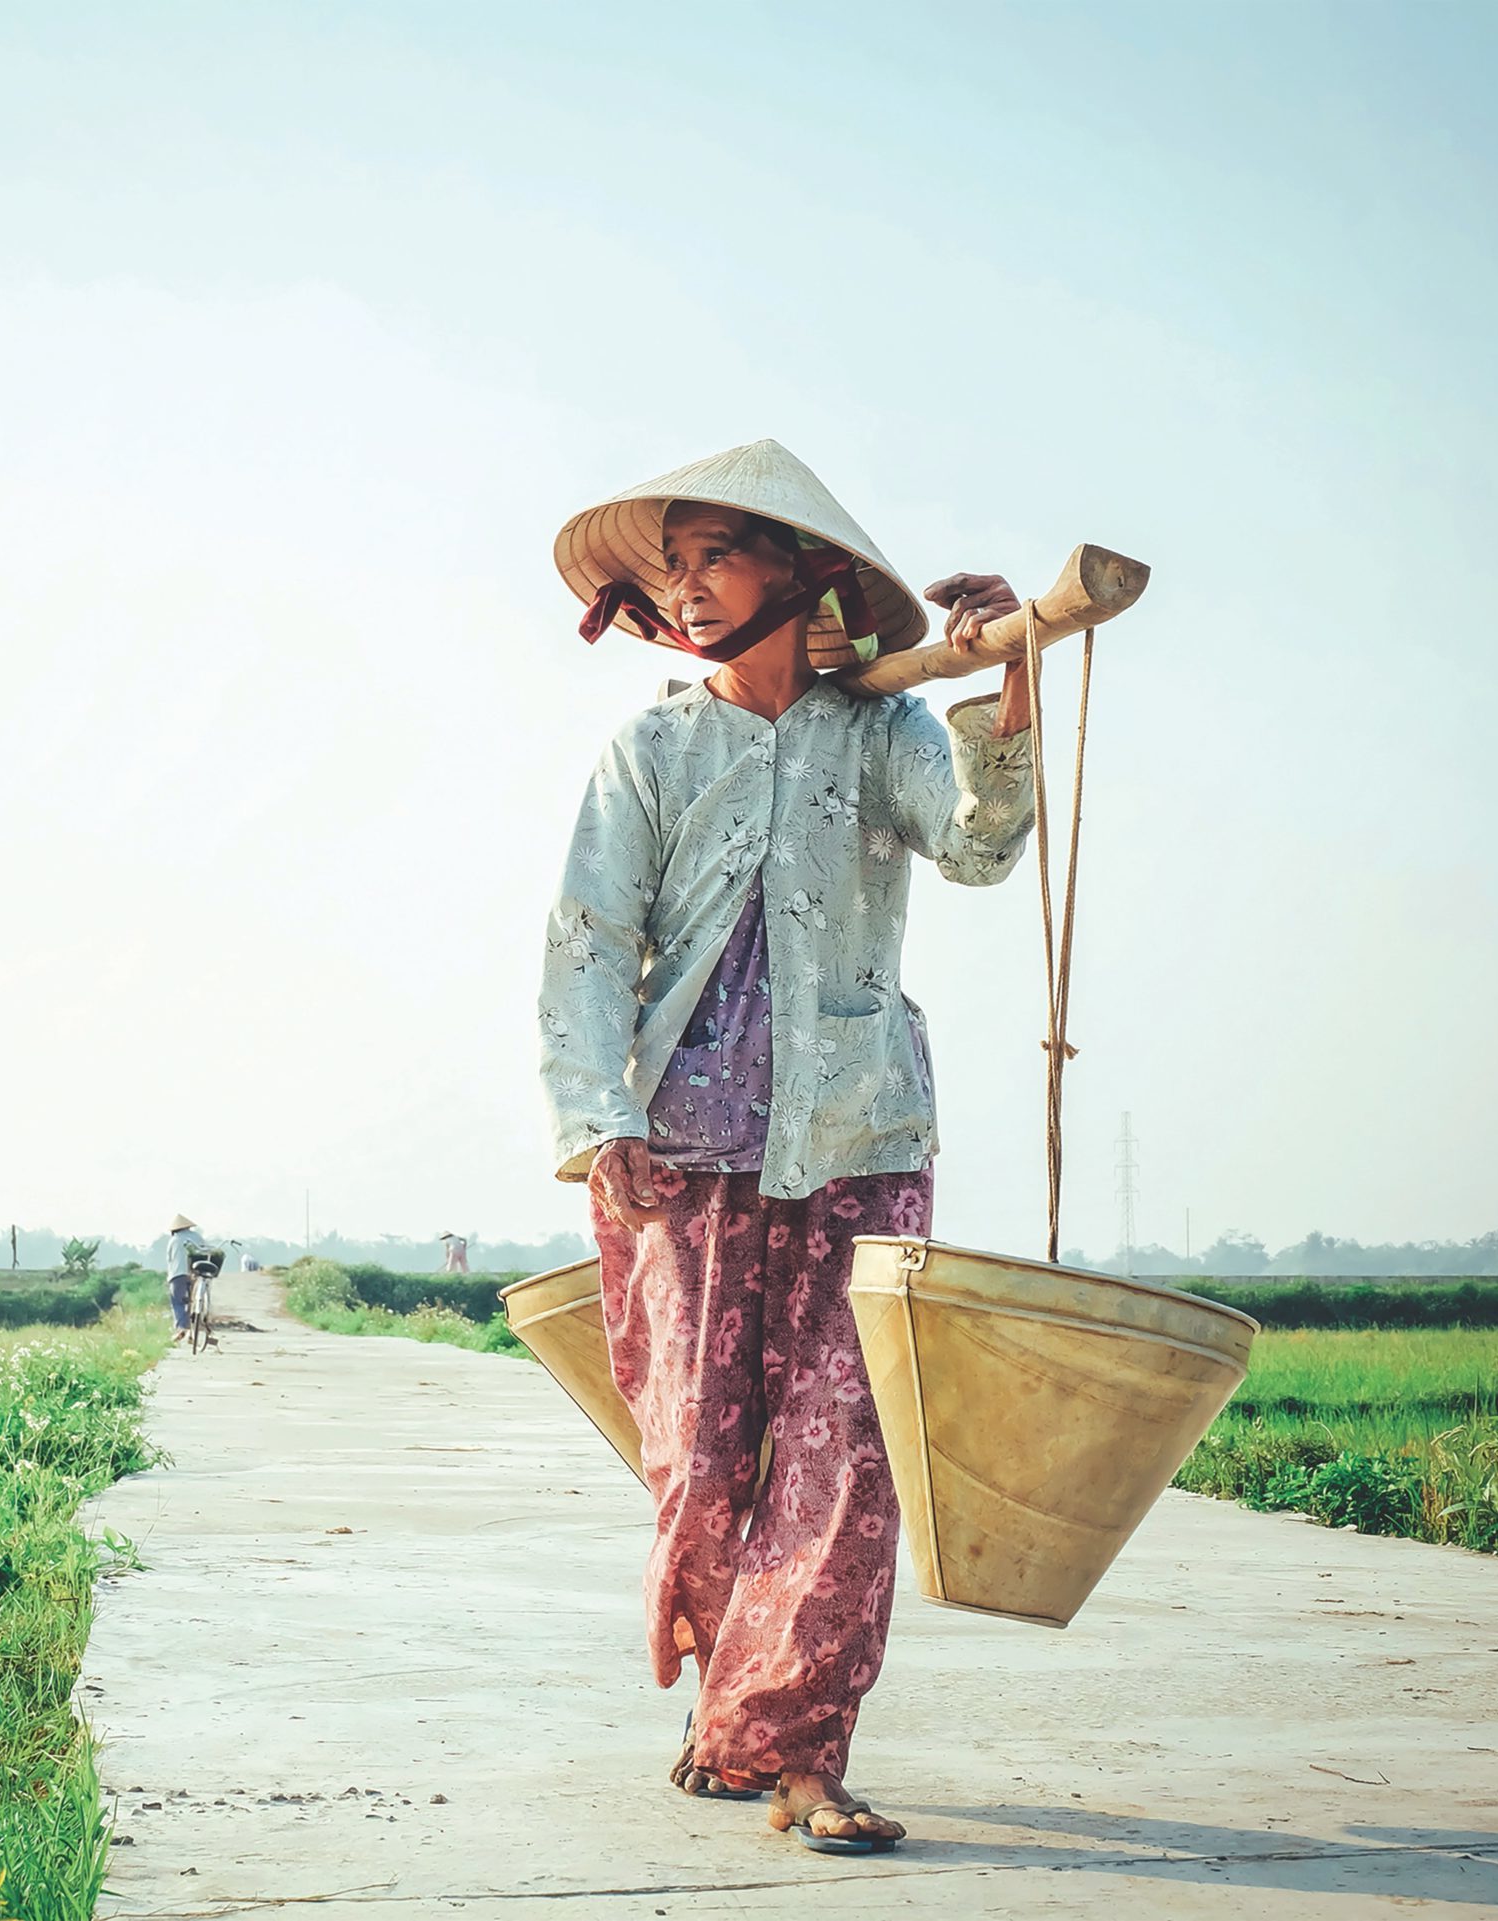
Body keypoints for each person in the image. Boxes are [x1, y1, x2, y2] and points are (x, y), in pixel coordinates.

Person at [537, 438, 1035, 1855]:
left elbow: (984, 845)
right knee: (702, 1457)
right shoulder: (655, 748)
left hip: (858, 1138)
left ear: (800, 571)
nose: (689, 588)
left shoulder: (881, 735)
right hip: (683, 1148)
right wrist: (601, 1122)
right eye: (674, 566)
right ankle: (731, 1711)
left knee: (842, 1462)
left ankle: (802, 1755)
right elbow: (587, 943)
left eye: (716, 556)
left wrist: (1009, 676)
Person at [163, 1213, 200, 1343]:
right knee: (194, 1301)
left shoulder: (174, 1240)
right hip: (196, 1273)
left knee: (177, 1301)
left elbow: (170, 1260)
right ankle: (193, 1330)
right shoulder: (197, 1237)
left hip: (177, 1274)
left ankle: (181, 1328)